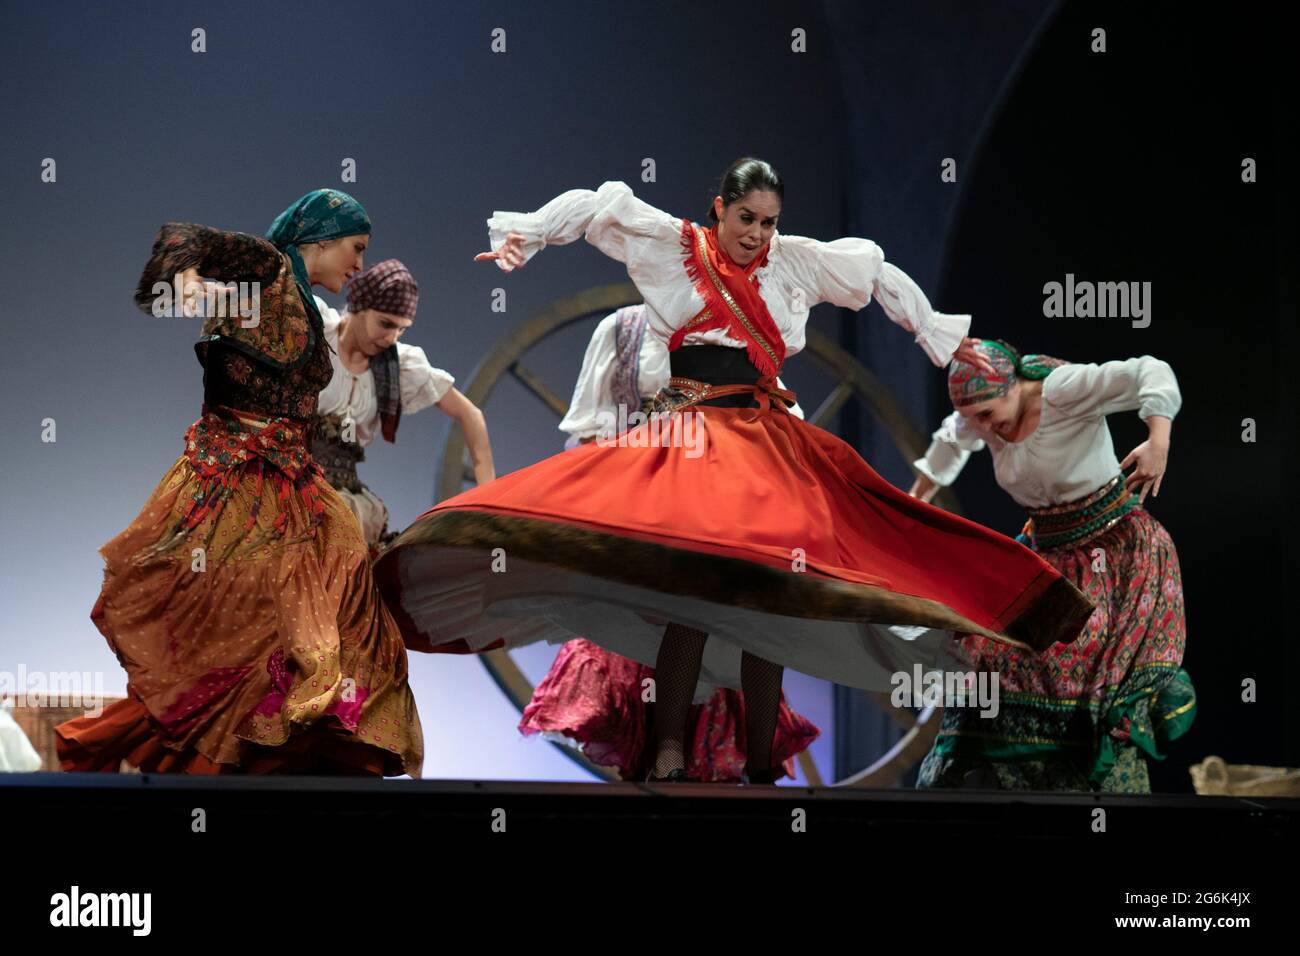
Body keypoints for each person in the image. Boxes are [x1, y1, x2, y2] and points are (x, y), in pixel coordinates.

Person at [375, 158, 1092, 784]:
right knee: (697, 584)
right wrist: (525, 237)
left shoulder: (796, 262)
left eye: (769, 222)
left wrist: (940, 337)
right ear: (719, 208)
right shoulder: (673, 248)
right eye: (746, 217)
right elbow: (599, 207)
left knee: (774, 586)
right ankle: (667, 750)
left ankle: (758, 758)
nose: (757, 234)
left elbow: (876, 276)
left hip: (768, 439)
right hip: (695, 437)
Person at [56, 189, 423, 776]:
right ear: (320, 238)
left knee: (343, 604)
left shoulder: (301, 301)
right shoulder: (269, 266)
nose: (358, 265)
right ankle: (232, 756)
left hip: (294, 484)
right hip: (237, 480)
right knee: (254, 630)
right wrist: (192, 287)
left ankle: (318, 751)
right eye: (356, 249)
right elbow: (180, 247)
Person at [522, 304, 819, 782]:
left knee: (729, 624)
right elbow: (591, 433)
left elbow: (779, 414)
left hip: (721, 507)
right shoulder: (622, 331)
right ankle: (664, 760)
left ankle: (742, 766)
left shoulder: (741, 329)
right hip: (640, 509)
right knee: (646, 644)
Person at [910, 338, 1195, 792]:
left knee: (1084, 676)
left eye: (987, 413)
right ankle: (1021, 796)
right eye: (975, 417)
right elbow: (951, 440)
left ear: (1015, 387)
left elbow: (1150, 370)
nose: (984, 427)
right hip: (1049, 554)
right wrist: (915, 499)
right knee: (989, 656)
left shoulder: (1063, 390)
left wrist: (1158, 441)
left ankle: (1098, 796)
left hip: (1115, 552)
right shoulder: (981, 419)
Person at [313, 258, 494, 557]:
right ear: (359, 304)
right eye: (385, 323)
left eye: (401, 330)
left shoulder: (398, 366)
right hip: (288, 476)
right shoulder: (317, 331)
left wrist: (487, 502)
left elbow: (470, 413)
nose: (391, 338)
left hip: (344, 495)